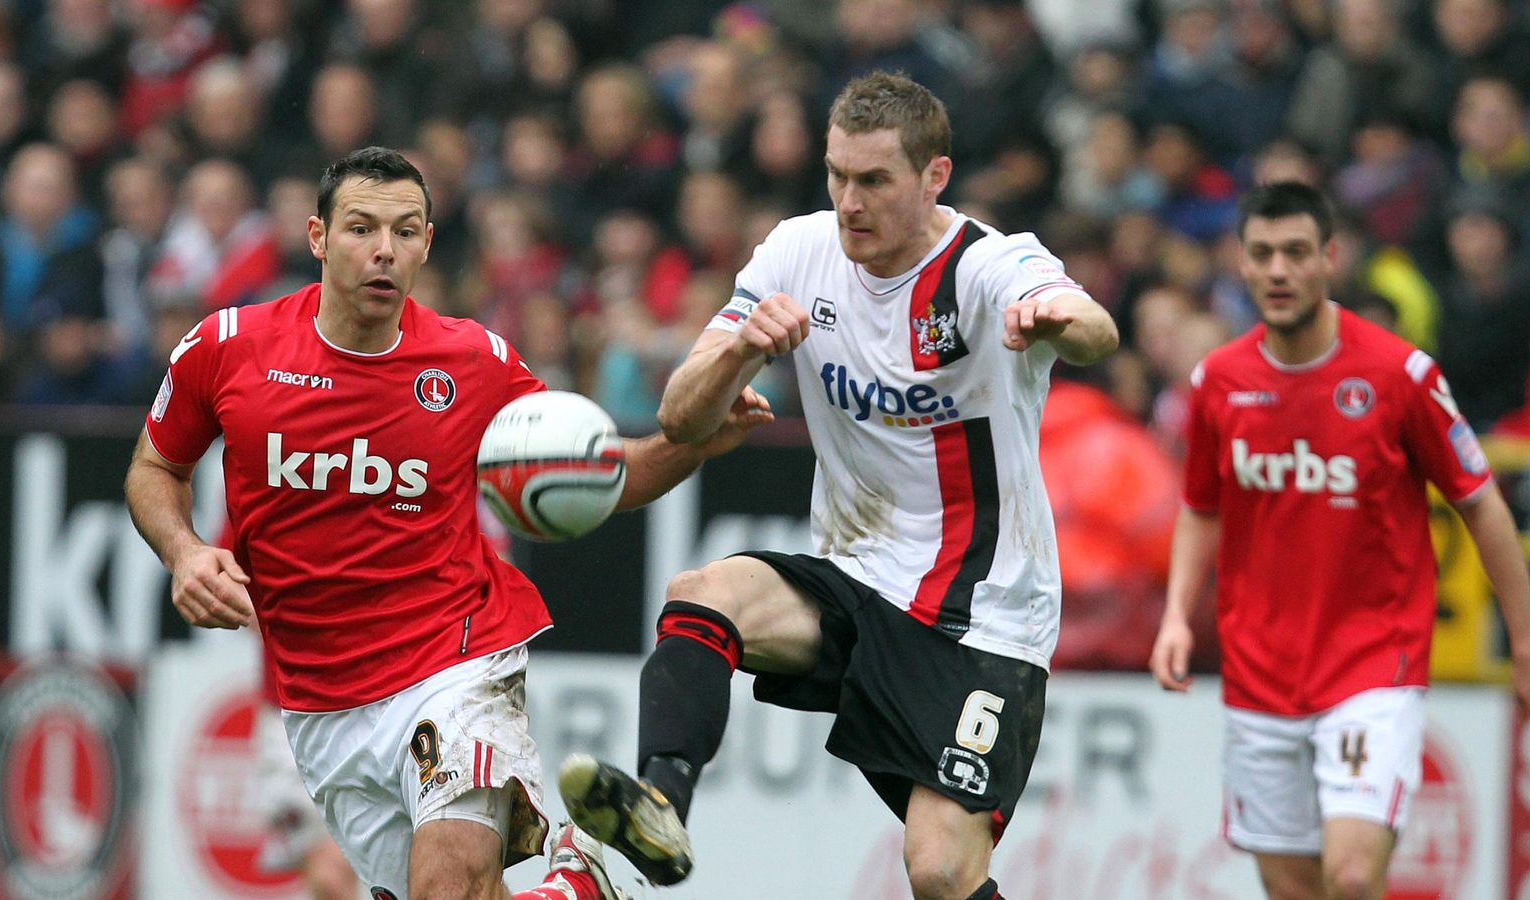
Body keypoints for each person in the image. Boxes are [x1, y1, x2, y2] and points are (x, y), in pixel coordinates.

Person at [124, 146, 772, 900]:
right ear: (318, 237)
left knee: (450, 880)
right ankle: (579, 888)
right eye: (362, 228)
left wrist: (692, 442)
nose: (384, 250)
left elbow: (601, 472)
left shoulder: (472, 361)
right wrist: (183, 551)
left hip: (453, 661)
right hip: (318, 704)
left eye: (405, 232)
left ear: (428, 243)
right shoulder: (227, 347)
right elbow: (154, 468)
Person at [557, 71, 1118, 899]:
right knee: (703, 593)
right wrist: (742, 347)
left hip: (984, 616)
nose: (850, 202)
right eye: (837, 175)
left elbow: (1097, 331)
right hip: (857, 576)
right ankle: (660, 805)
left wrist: (1058, 321)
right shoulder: (798, 252)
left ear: (934, 177)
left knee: (940, 874)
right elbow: (679, 416)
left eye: (875, 181)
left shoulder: (989, 265)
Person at [1149, 181, 1530, 900]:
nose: (1279, 270)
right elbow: (1200, 508)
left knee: (1352, 876)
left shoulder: (1401, 375)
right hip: (1259, 672)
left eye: (1296, 252)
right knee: (1292, 887)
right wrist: (1175, 614)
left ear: (1330, 258)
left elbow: (1481, 506)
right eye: (1263, 254)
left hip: (1371, 667)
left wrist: (1526, 639)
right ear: (1241, 263)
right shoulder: (1218, 382)